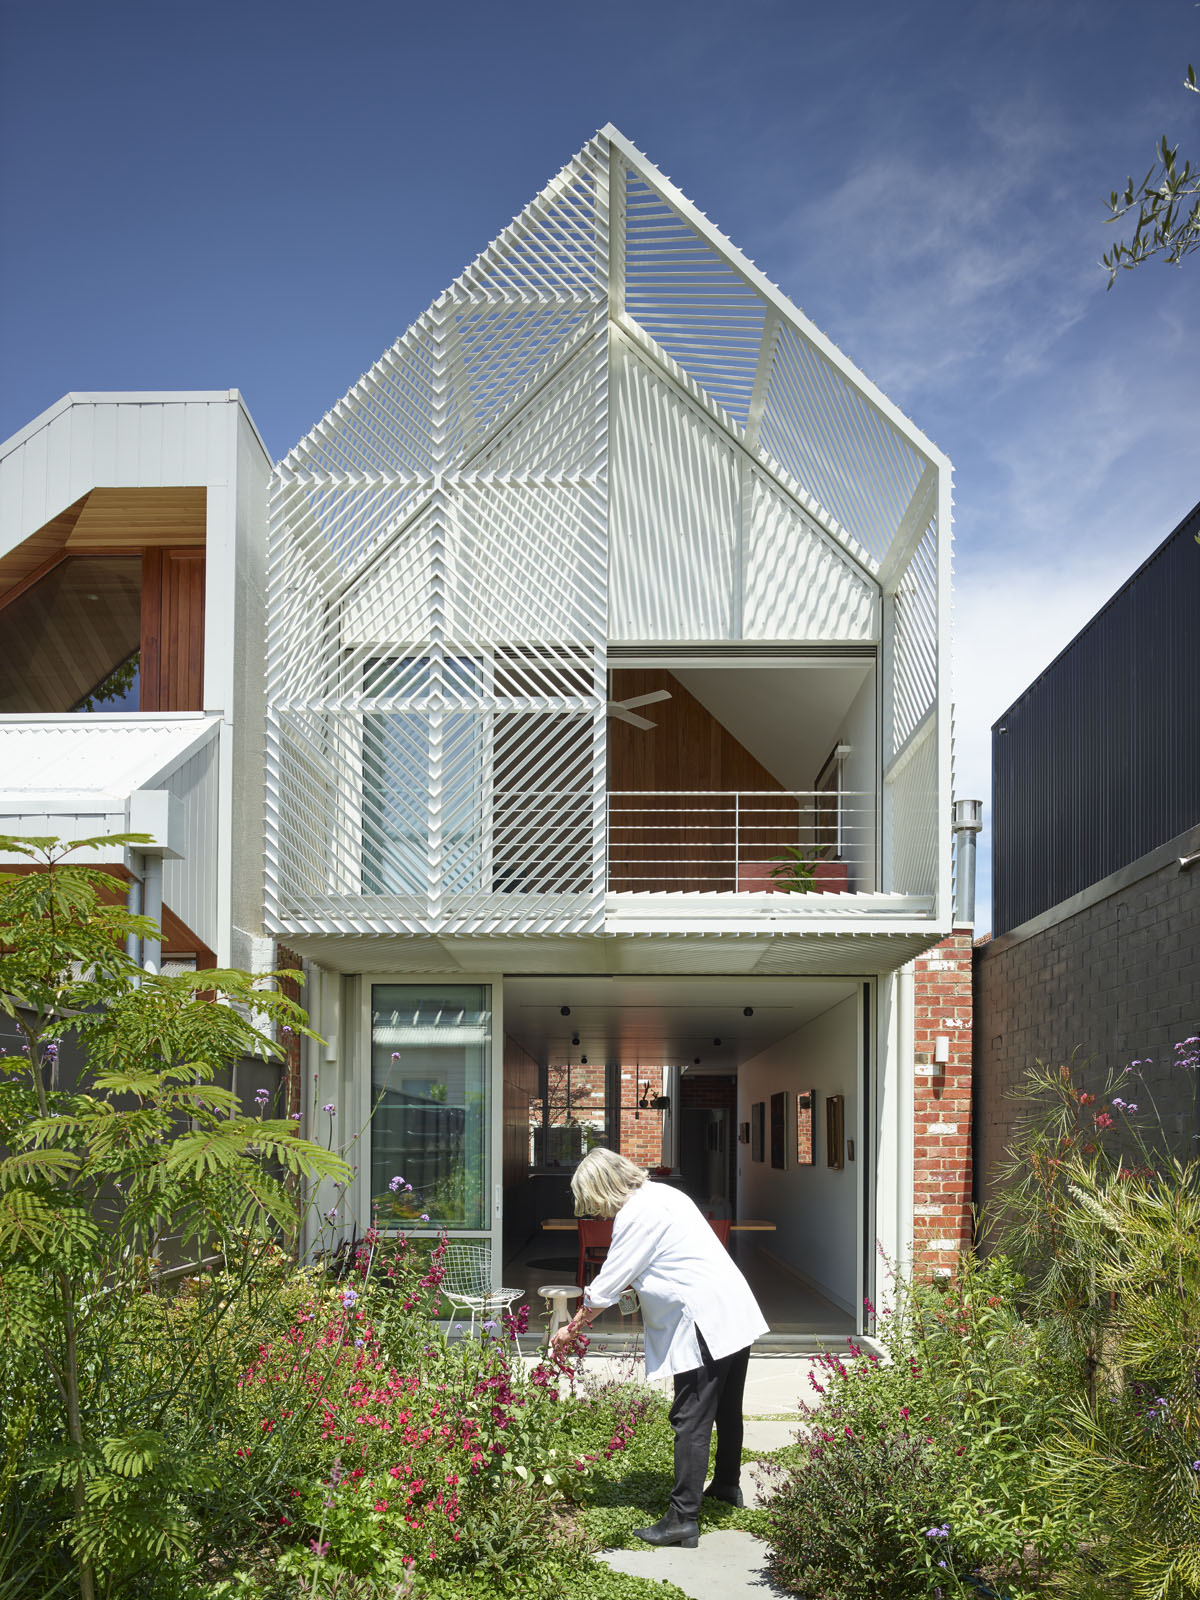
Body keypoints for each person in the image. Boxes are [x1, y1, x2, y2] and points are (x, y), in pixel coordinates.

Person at [550, 1147, 768, 1549]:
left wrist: (572, 1330)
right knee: (726, 1408)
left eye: (594, 1204)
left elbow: (606, 1285)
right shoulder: (665, 1195)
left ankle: (682, 1519)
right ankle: (725, 1486)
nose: (598, 1215)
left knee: (691, 1416)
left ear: (603, 1188)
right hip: (732, 1307)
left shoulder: (636, 1214)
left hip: (703, 1318)